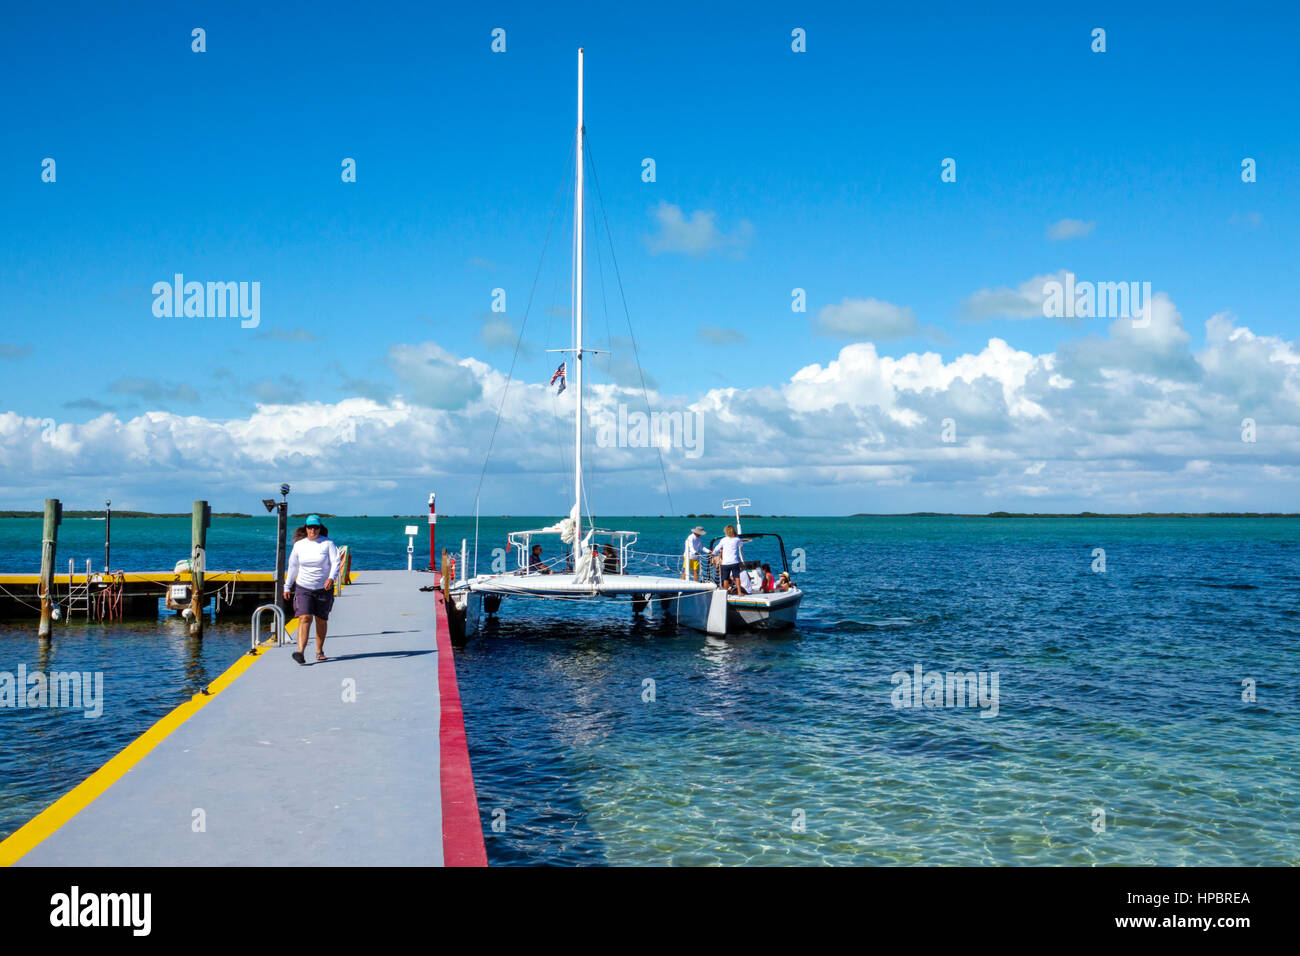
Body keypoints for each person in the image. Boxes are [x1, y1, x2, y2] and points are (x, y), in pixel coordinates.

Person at [283, 515, 340, 665]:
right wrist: (287, 586)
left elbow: (336, 562)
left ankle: (319, 650)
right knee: (305, 617)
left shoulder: (328, 544)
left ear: (320, 529)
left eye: (315, 527)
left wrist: (331, 578)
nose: (313, 530)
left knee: (321, 620)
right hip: (303, 587)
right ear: (306, 528)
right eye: (310, 527)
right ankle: (300, 652)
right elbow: (293, 566)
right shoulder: (299, 545)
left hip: (323, 588)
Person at [716, 525, 745, 594]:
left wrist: (713, 553)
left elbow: (717, 548)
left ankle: (726, 593)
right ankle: (739, 592)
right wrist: (737, 536)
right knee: (737, 577)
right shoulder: (737, 539)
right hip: (734, 561)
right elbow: (741, 545)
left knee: (725, 578)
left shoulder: (723, 540)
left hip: (726, 563)